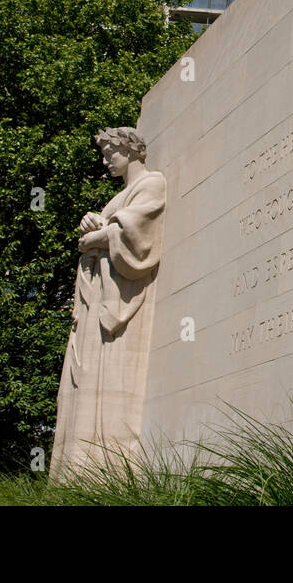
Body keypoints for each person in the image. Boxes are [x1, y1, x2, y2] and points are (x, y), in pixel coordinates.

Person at [50, 127, 167, 480]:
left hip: (116, 304)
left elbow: (135, 236)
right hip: (96, 300)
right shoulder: (117, 198)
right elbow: (107, 228)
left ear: (130, 150)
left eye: (109, 153)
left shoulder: (151, 183)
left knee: (108, 380)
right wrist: (95, 225)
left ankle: (102, 470)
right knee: (84, 381)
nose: (105, 161)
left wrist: (95, 236)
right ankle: (77, 471)